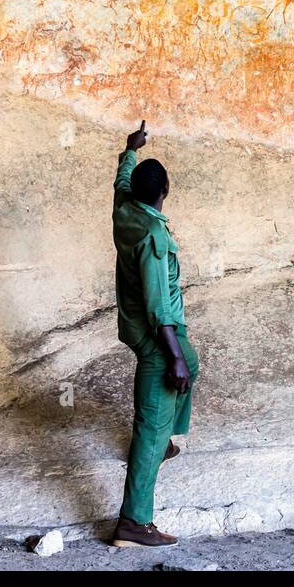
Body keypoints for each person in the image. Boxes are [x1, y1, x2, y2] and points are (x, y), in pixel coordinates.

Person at [109, 120, 199, 548]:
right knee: (150, 422)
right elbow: (158, 304)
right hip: (155, 335)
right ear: (166, 190)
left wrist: (131, 149)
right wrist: (173, 356)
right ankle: (133, 522)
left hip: (141, 327)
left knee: (192, 363)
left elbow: (122, 180)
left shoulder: (124, 210)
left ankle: (164, 440)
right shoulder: (153, 234)